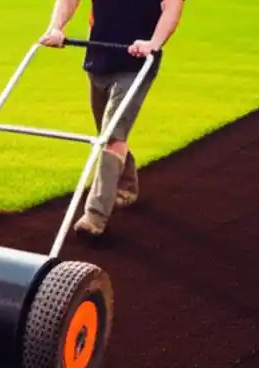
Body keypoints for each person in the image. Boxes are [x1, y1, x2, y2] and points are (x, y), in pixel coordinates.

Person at [39, 0, 184, 236]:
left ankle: (95, 216)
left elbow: (171, 10)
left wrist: (153, 44)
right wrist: (56, 27)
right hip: (98, 56)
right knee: (106, 131)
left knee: (112, 134)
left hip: (137, 62)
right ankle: (126, 186)